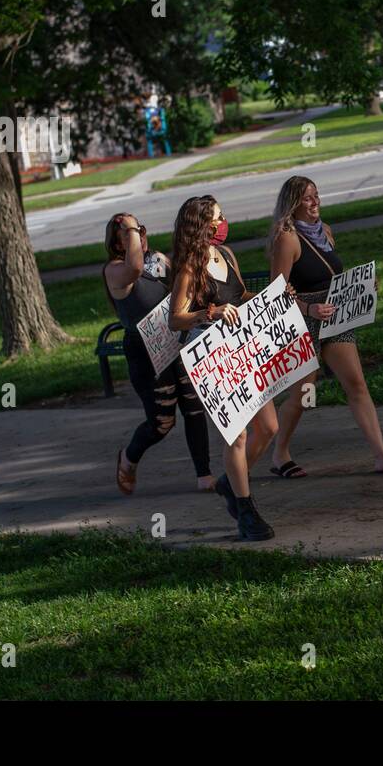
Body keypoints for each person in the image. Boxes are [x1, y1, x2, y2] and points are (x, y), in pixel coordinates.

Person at [266, 176, 383, 476]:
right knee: (305, 392)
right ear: (293, 204)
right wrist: (308, 308)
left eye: (317, 195)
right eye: (308, 198)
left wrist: (364, 288)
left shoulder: (326, 232)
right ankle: (280, 454)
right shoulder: (287, 238)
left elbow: (332, 277)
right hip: (304, 317)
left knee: (356, 384)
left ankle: (381, 455)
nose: (315, 202)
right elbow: (276, 292)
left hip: (335, 314)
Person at [167, 195, 279, 540]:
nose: (223, 222)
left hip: (243, 348)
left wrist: (273, 296)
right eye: (218, 217)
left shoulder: (226, 255)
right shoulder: (189, 268)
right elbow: (175, 320)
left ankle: (231, 483)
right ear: (202, 224)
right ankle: (246, 512)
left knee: (269, 426)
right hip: (212, 356)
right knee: (238, 434)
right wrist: (209, 312)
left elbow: (240, 294)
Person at [103, 213, 215, 495]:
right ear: (118, 243)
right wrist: (130, 230)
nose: (138, 235)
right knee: (162, 422)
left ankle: (204, 474)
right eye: (129, 233)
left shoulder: (159, 259)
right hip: (144, 351)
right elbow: (135, 266)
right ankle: (128, 458)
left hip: (175, 340)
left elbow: (183, 287)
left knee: (193, 404)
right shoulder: (115, 271)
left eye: (140, 229)